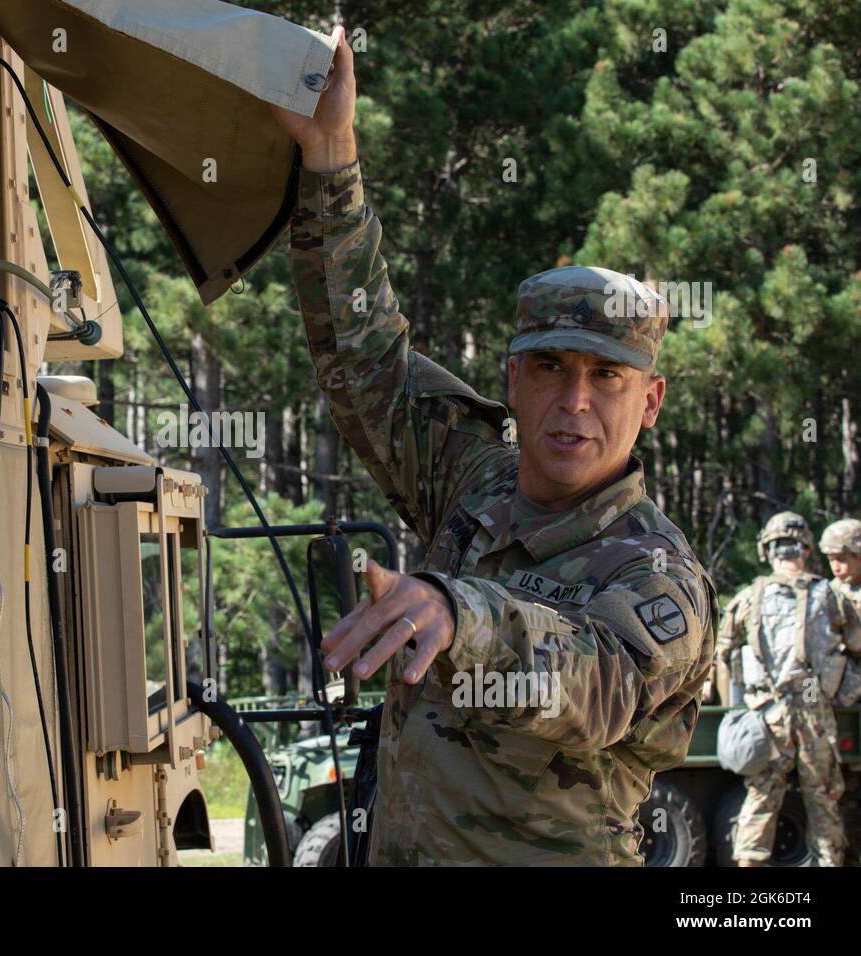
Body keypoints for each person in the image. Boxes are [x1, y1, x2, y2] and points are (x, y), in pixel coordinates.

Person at [270, 26, 717, 865]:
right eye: (549, 367)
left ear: (649, 400)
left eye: (607, 379)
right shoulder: (476, 483)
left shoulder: (656, 576)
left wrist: (459, 613)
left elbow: (598, 683)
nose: (574, 402)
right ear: (513, 380)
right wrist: (332, 157)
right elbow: (369, 363)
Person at [717, 512, 861, 866]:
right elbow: (857, 644)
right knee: (823, 801)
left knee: (761, 799)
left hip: (767, 714)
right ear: (807, 551)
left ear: (767, 551)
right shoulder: (830, 595)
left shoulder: (749, 597)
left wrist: (733, 708)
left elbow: (722, 651)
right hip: (814, 710)